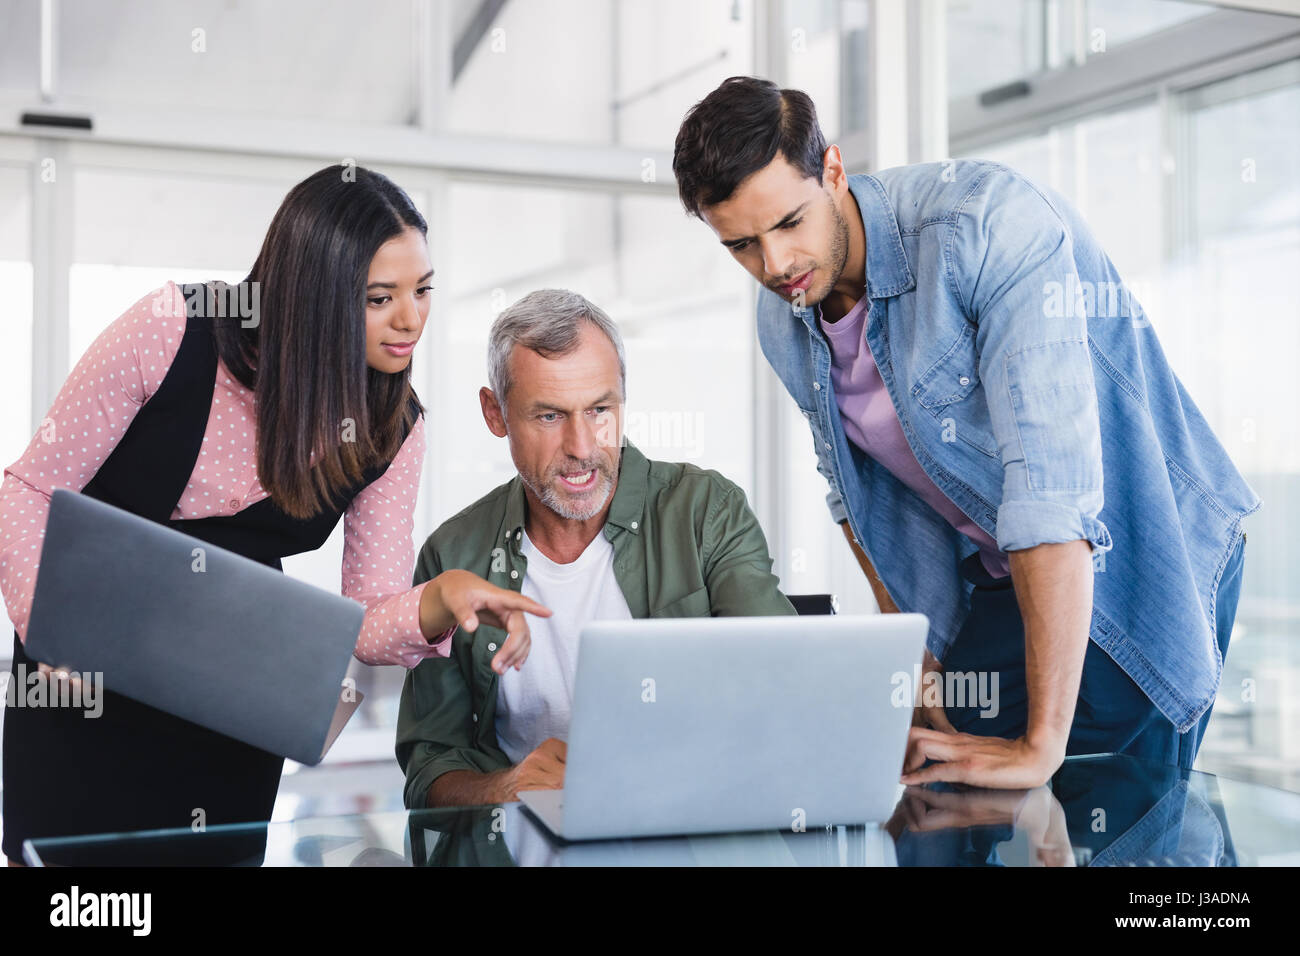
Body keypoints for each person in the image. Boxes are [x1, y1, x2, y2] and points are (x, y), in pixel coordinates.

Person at [671, 76, 1258, 788]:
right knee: (946, 782)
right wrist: (915, 663)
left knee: (1109, 818)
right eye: (741, 245)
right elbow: (857, 502)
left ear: (831, 169)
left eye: (790, 223)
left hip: (1132, 553)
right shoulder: (783, 322)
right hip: (997, 577)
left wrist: (1041, 746)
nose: (776, 266)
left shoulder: (987, 225)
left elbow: (1050, 489)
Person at [0, 164, 548, 865]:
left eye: (422, 290)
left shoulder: (392, 426)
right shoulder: (172, 330)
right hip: (84, 679)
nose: (411, 319)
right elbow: (29, 490)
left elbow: (369, 614)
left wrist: (439, 600)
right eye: (381, 297)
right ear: (311, 296)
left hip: (232, 697)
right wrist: (46, 627)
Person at [396, 289, 795, 808]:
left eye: (600, 409)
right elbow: (430, 768)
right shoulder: (452, 555)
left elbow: (782, 683)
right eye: (549, 416)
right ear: (495, 414)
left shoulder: (706, 511)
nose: (582, 448)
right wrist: (507, 788)